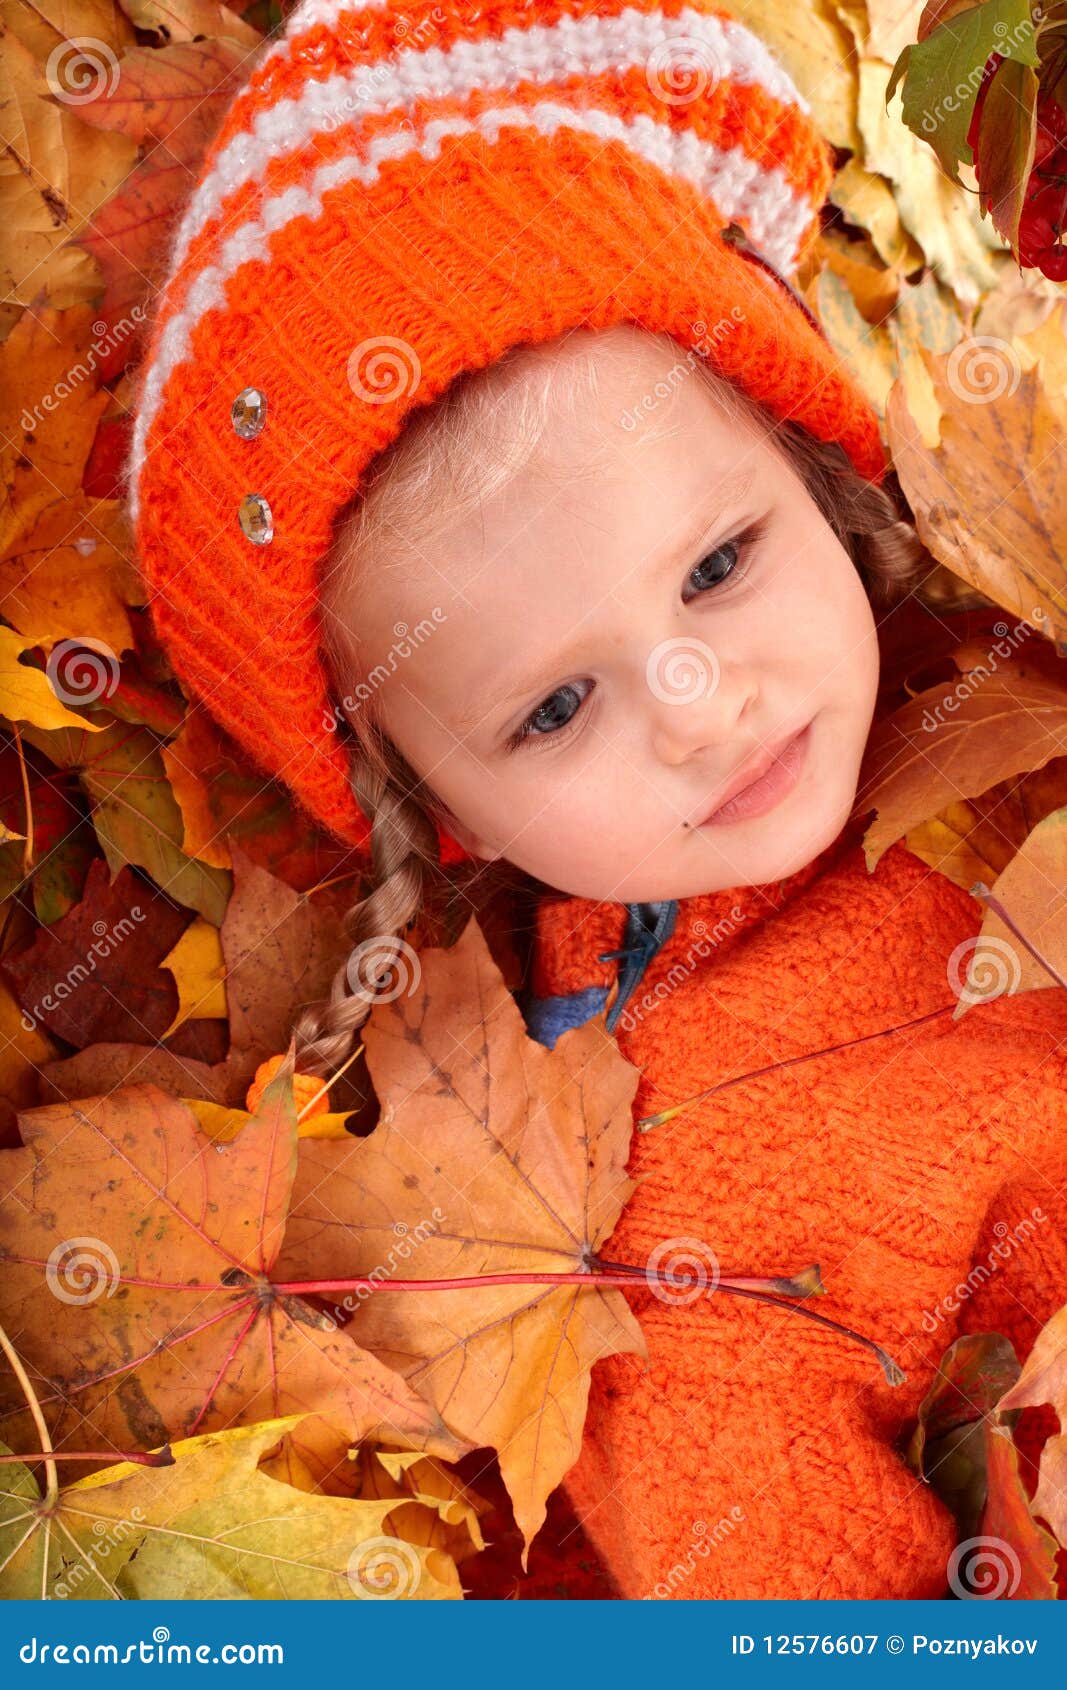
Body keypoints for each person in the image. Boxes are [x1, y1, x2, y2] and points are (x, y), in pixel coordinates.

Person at [127, 0, 1067, 1598]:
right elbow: (772, 1567)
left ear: (805, 457)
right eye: (556, 705)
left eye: (719, 565)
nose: (703, 710)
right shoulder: (669, 1175)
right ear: (443, 810)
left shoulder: (1008, 628)